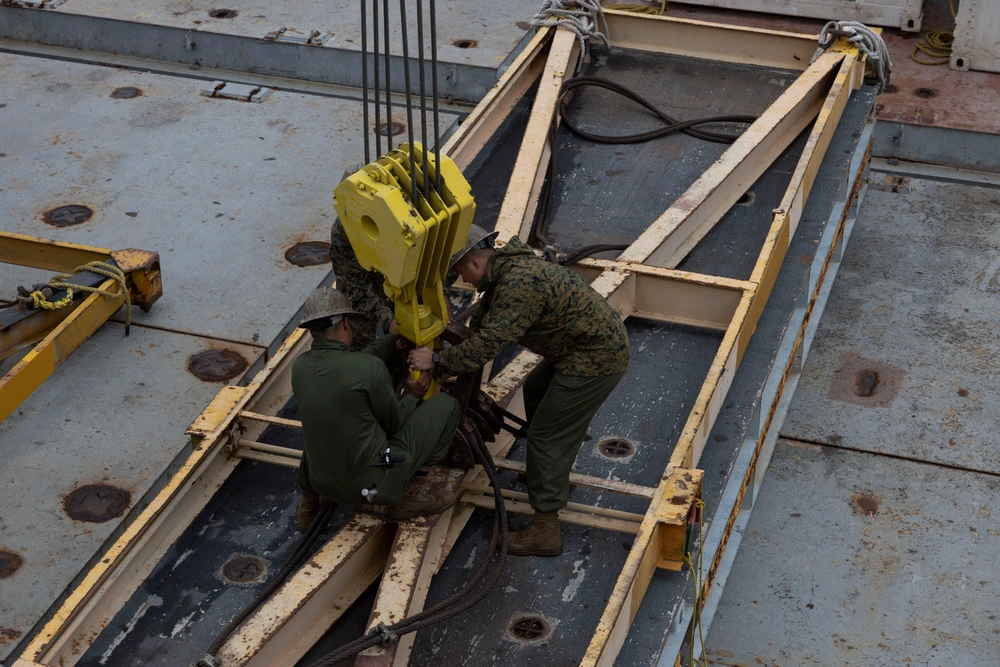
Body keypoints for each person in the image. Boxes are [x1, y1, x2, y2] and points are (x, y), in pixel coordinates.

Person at [409, 226, 630, 557]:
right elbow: (486, 318)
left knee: (546, 436)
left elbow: (490, 343)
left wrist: (437, 361)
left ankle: (545, 530)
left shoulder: (518, 283)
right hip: (576, 348)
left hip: (595, 359)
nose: (465, 283)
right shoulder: (510, 266)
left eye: (461, 274)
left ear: (473, 263)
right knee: (538, 390)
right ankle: (551, 474)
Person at [293, 286, 461, 531]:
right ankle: (408, 498)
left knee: (322, 421)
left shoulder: (299, 367)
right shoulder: (368, 368)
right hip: (372, 486)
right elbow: (394, 422)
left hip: (321, 482)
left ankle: (308, 507)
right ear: (347, 323)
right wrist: (412, 395)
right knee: (448, 404)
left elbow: (359, 361)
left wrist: (391, 340)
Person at [329, 218, 396, 351]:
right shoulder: (346, 227)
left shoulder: (417, 219)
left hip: (399, 274)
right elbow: (354, 290)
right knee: (362, 345)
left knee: (404, 340)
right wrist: (388, 320)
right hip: (364, 275)